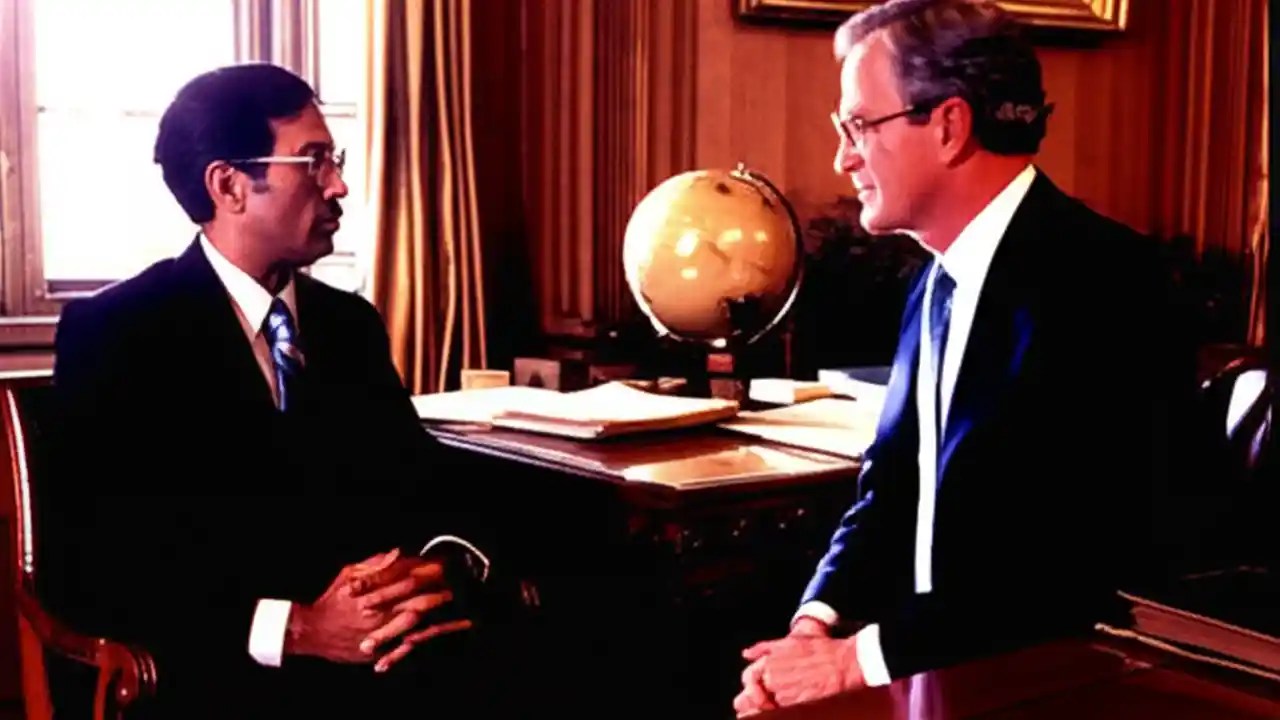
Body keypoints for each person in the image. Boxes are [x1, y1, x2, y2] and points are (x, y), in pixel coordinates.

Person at [734, 0, 1198, 714]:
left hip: (1058, 688)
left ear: (949, 125)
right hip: (936, 679)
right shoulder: (934, 282)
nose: (843, 156)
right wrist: (812, 628)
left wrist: (854, 663)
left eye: (859, 125)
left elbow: (1072, 571)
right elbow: (887, 490)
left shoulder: (1103, 280)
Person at [47, 63, 500, 718]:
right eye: (312, 162)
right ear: (229, 185)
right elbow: (94, 566)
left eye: (334, 160)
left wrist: (435, 569)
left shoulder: (351, 325)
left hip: (387, 664)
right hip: (226, 675)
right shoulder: (118, 332)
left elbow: (423, 491)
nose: (339, 185)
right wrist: (300, 629)